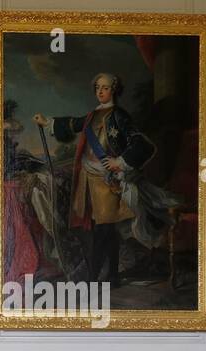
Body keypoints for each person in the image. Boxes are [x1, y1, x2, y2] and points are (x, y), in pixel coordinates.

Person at [33, 73, 156, 286]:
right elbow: (73, 124)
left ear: (114, 90)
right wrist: (47, 123)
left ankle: (91, 278)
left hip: (108, 181)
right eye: (98, 87)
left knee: (103, 230)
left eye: (105, 87)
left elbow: (141, 144)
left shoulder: (120, 116)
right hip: (88, 180)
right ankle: (113, 276)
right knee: (102, 229)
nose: (100, 91)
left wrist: (121, 161)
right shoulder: (92, 116)